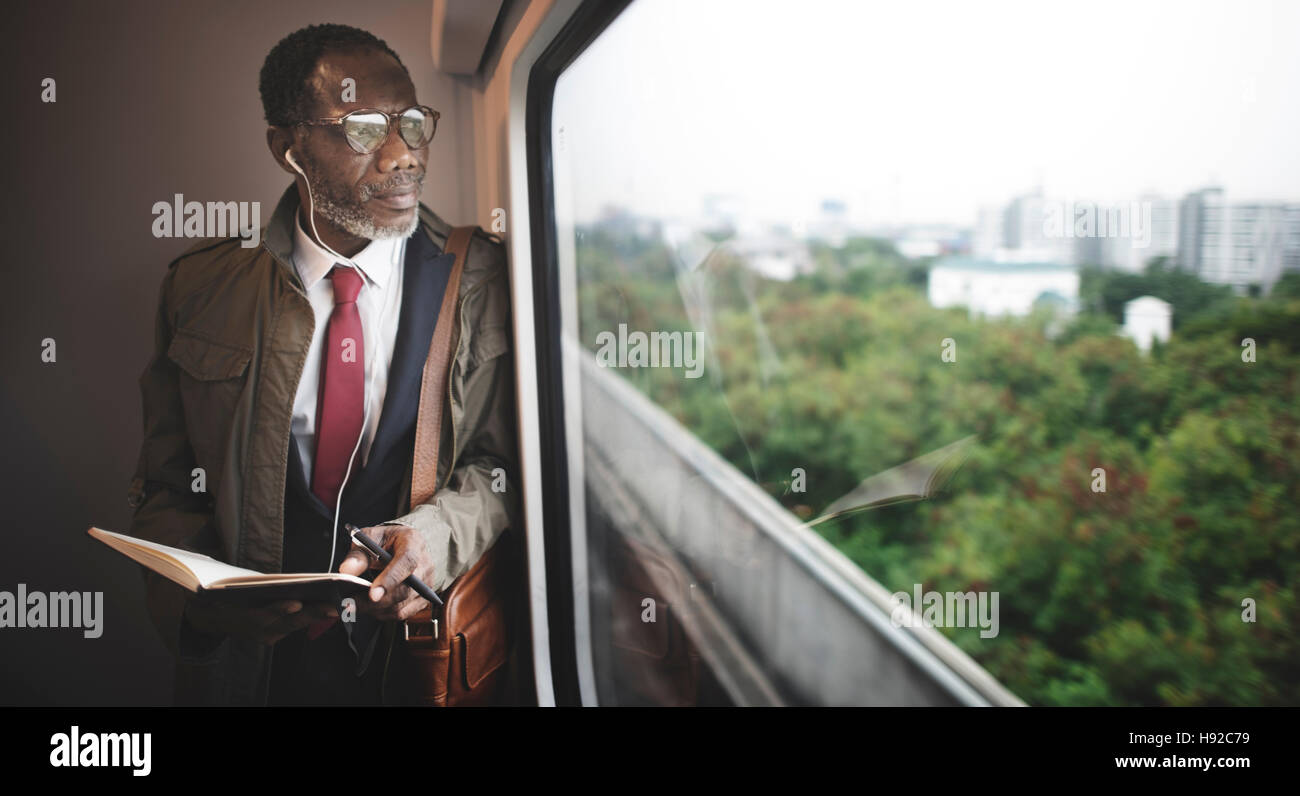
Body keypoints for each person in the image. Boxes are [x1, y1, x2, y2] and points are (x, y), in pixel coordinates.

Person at [125, 23, 519, 705]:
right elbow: (166, 487)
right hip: (252, 676)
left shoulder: (486, 279)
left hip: (417, 667)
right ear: (289, 148)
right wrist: (199, 606)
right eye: (365, 129)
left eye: (412, 123)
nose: (404, 155)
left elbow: (502, 471)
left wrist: (433, 537)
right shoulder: (200, 288)